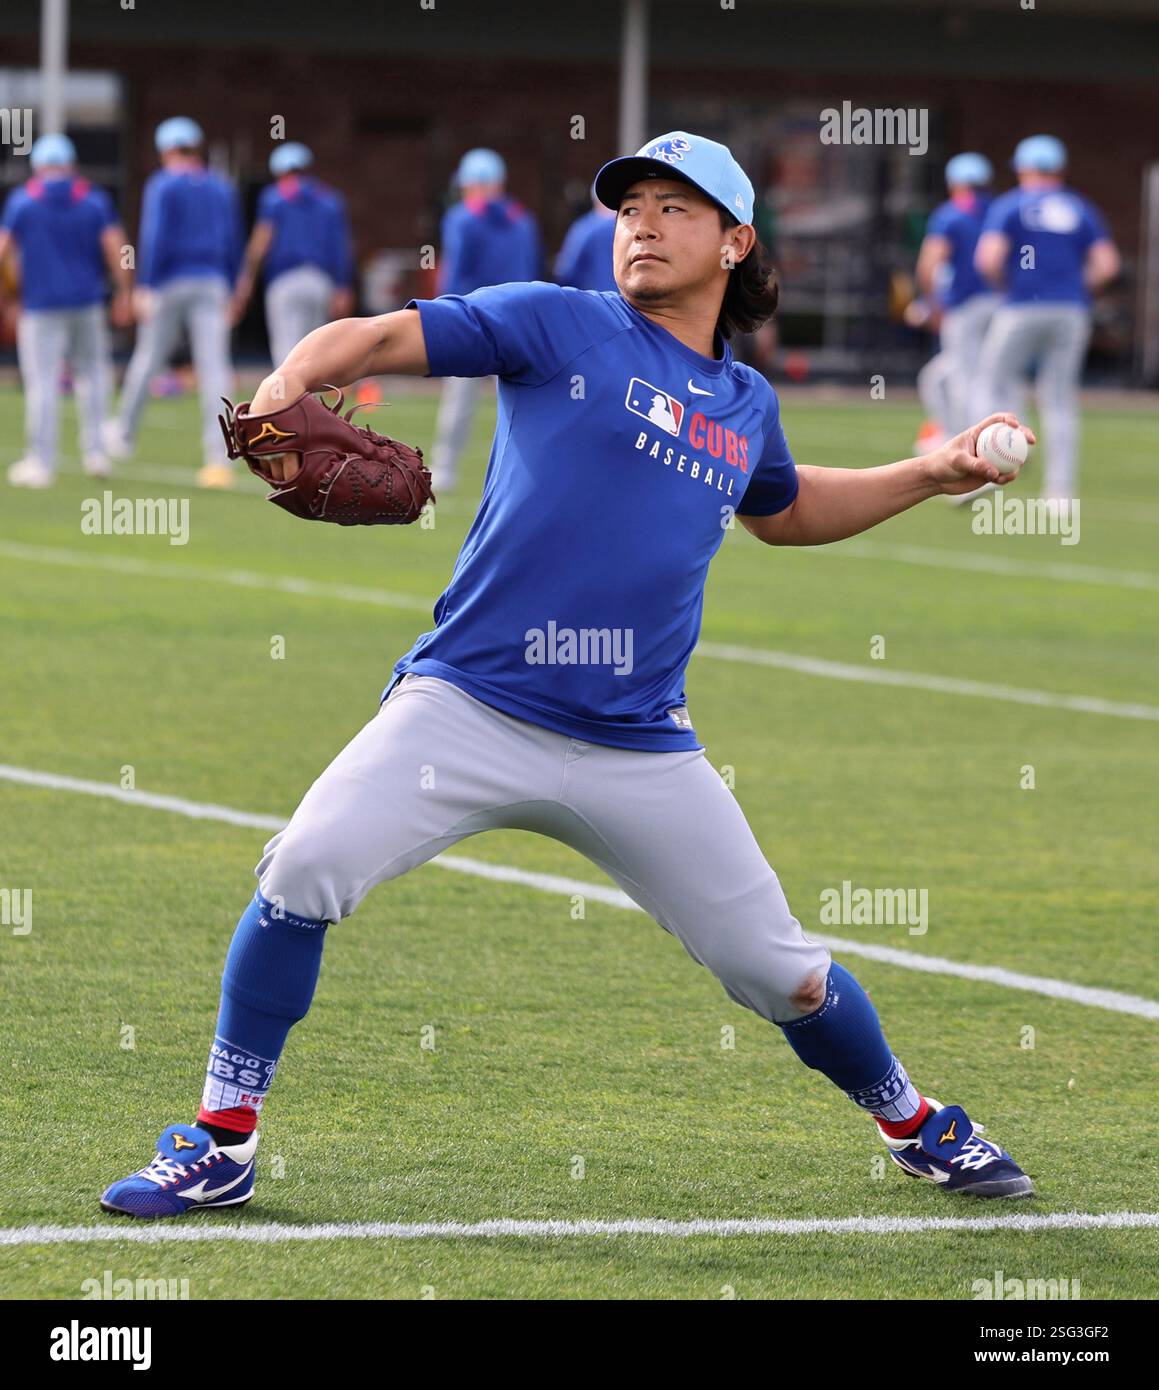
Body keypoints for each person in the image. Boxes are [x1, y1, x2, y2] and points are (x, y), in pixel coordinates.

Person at [100, 131, 1035, 1220]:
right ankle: (220, 1140)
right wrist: (290, 379)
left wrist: (930, 469)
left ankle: (915, 1122)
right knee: (303, 866)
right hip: (468, 703)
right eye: (630, 205)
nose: (641, 222)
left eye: (674, 208)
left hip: (639, 741)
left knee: (782, 972)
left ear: (735, 242)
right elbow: (377, 335)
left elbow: (784, 513)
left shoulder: (742, 403)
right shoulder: (560, 320)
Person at [974, 135, 1119, 499]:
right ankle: (1060, 492)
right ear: (1060, 170)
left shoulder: (1011, 206)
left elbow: (988, 259)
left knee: (991, 383)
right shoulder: (1081, 208)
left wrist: (1008, 285)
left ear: (1025, 169)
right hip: (1071, 310)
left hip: (1021, 306)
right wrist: (1075, 288)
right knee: (1058, 398)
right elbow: (1107, 265)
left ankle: (984, 470)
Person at [103, 117, 244, 489]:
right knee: (215, 367)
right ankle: (220, 454)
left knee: (148, 358)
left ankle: (123, 435)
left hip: (169, 282)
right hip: (213, 282)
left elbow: (154, 235)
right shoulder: (219, 186)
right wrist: (232, 285)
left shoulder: (162, 184)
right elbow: (232, 240)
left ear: (166, 149)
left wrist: (144, 284)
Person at [1, 133, 131, 487]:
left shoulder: (23, 202)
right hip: (86, 303)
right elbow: (117, 247)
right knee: (93, 375)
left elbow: (3, 251)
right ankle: (95, 452)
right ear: (71, 166)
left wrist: (9, 295)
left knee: (42, 382)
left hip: (40, 305)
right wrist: (125, 292)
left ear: (38, 167)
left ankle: (41, 462)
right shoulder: (94, 201)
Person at [428, 147, 541, 492]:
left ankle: (444, 470)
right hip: (517, 321)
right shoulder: (523, 220)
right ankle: (524, 478)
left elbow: (456, 271)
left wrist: (441, 315)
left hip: (471, 319)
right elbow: (531, 272)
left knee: (459, 399)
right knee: (520, 406)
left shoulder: (463, 218)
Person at [231, 142, 355, 366]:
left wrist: (245, 280)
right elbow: (340, 248)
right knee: (314, 351)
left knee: (286, 352)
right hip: (320, 283)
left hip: (284, 282)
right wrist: (342, 287)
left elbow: (261, 243)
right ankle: (310, 399)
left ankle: (287, 400)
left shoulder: (274, 198)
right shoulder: (329, 200)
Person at [913, 152, 998, 451]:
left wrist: (931, 304)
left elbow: (929, 264)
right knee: (940, 378)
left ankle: (973, 445)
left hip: (964, 306)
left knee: (966, 380)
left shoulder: (950, 213)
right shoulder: (998, 210)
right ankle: (950, 434)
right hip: (1002, 308)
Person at [554, 191, 616, 291]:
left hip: (593, 300)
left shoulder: (584, 228)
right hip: (626, 302)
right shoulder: (631, 227)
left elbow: (567, 271)